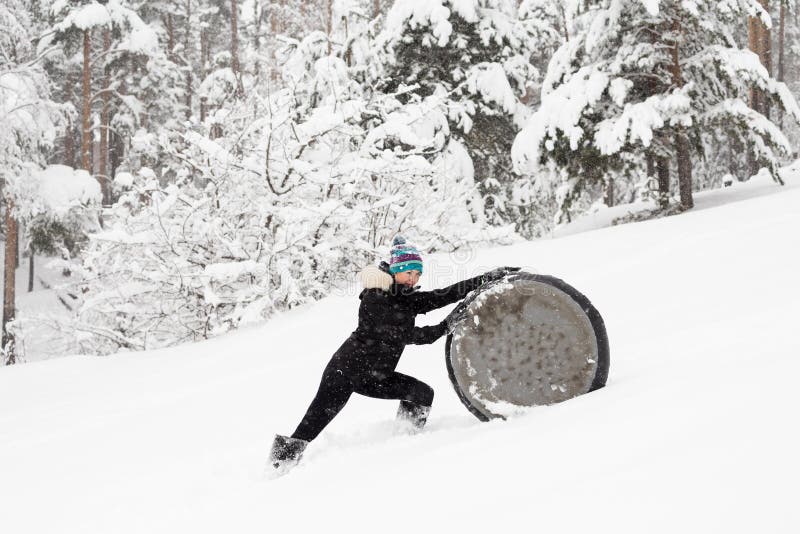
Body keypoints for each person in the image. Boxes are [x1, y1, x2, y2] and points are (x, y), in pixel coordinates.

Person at [267, 235, 518, 475]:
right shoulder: (375, 298)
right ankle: (277, 468)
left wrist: (486, 279)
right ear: (395, 270)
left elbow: (444, 294)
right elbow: (403, 334)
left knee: (421, 394)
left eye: (418, 273)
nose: (413, 278)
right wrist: (444, 326)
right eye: (409, 272)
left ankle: (402, 443)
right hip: (345, 371)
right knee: (308, 428)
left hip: (376, 376)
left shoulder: (404, 298)